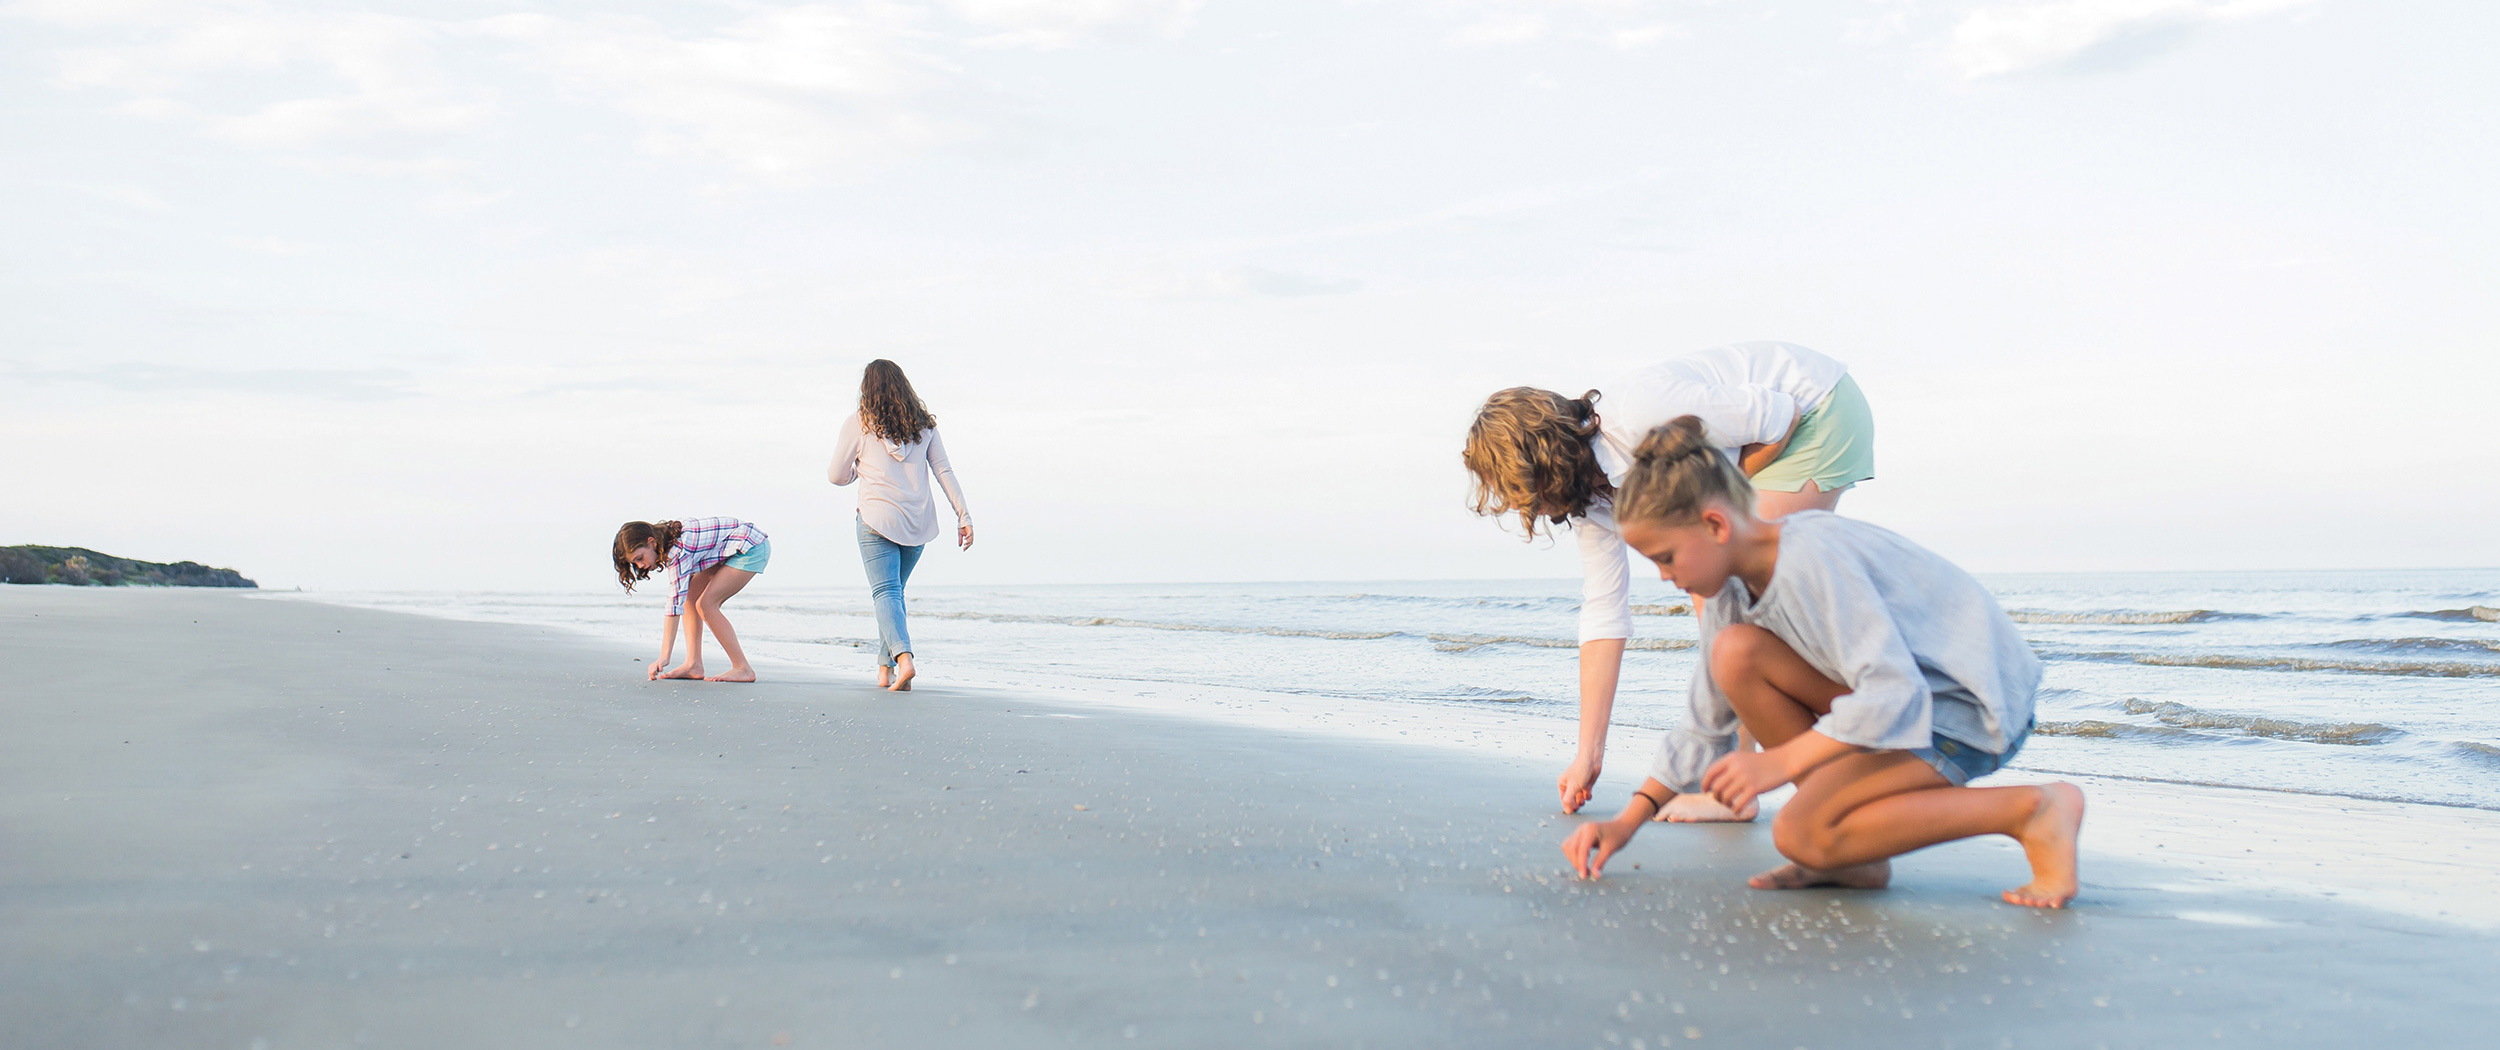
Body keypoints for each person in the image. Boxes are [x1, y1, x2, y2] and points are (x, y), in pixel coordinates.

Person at [1557, 416, 2084, 909]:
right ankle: (1852, 857)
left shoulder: (1809, 558)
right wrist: (1627, 822)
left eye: (1665, 557)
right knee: (1735, 655)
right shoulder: (1731, 592)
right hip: (1911, 707)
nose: (1664, 576)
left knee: (1799, 833)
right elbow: (1703, 725)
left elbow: (1894, 691)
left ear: (1715, 525)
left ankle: (2035, 810)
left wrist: (1780, 763)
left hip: (1968, 709)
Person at [1463, 341, 1876, 822]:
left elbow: (1780, 417)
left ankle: (1806, 765)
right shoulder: (1590, 500)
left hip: (1817, 407)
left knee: (1728, 577)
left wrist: (1708, 502)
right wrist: (1588, 756)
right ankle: (1750, 778)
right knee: (1717, 586)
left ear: (1546, 462)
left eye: (1517, 488)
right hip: (1784, 423)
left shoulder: (1642, 413)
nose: (1521, 506)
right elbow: (1604, 613)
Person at [829, 359, 973, 691]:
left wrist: (858, 472)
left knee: (886, 593)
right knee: (894, 593)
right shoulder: (924, 426)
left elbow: (836, 475)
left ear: (867, 388)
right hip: (916, 522)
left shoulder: (860, 423)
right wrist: (963, 515)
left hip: (876, 518)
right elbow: (944, 471)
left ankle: (904, 659)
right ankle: (886, 671)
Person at [612, 518, 771, 683]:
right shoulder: (668, 540)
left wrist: (664, 657)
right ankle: (693, 664)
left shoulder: (677, 552)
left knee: (706, 605)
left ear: (651, 542)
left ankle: (742, 668)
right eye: (635, 563)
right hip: (731, 548)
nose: (640, 566)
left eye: (640, 558)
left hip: (751, 547)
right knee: (689, 595)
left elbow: (674, 604)